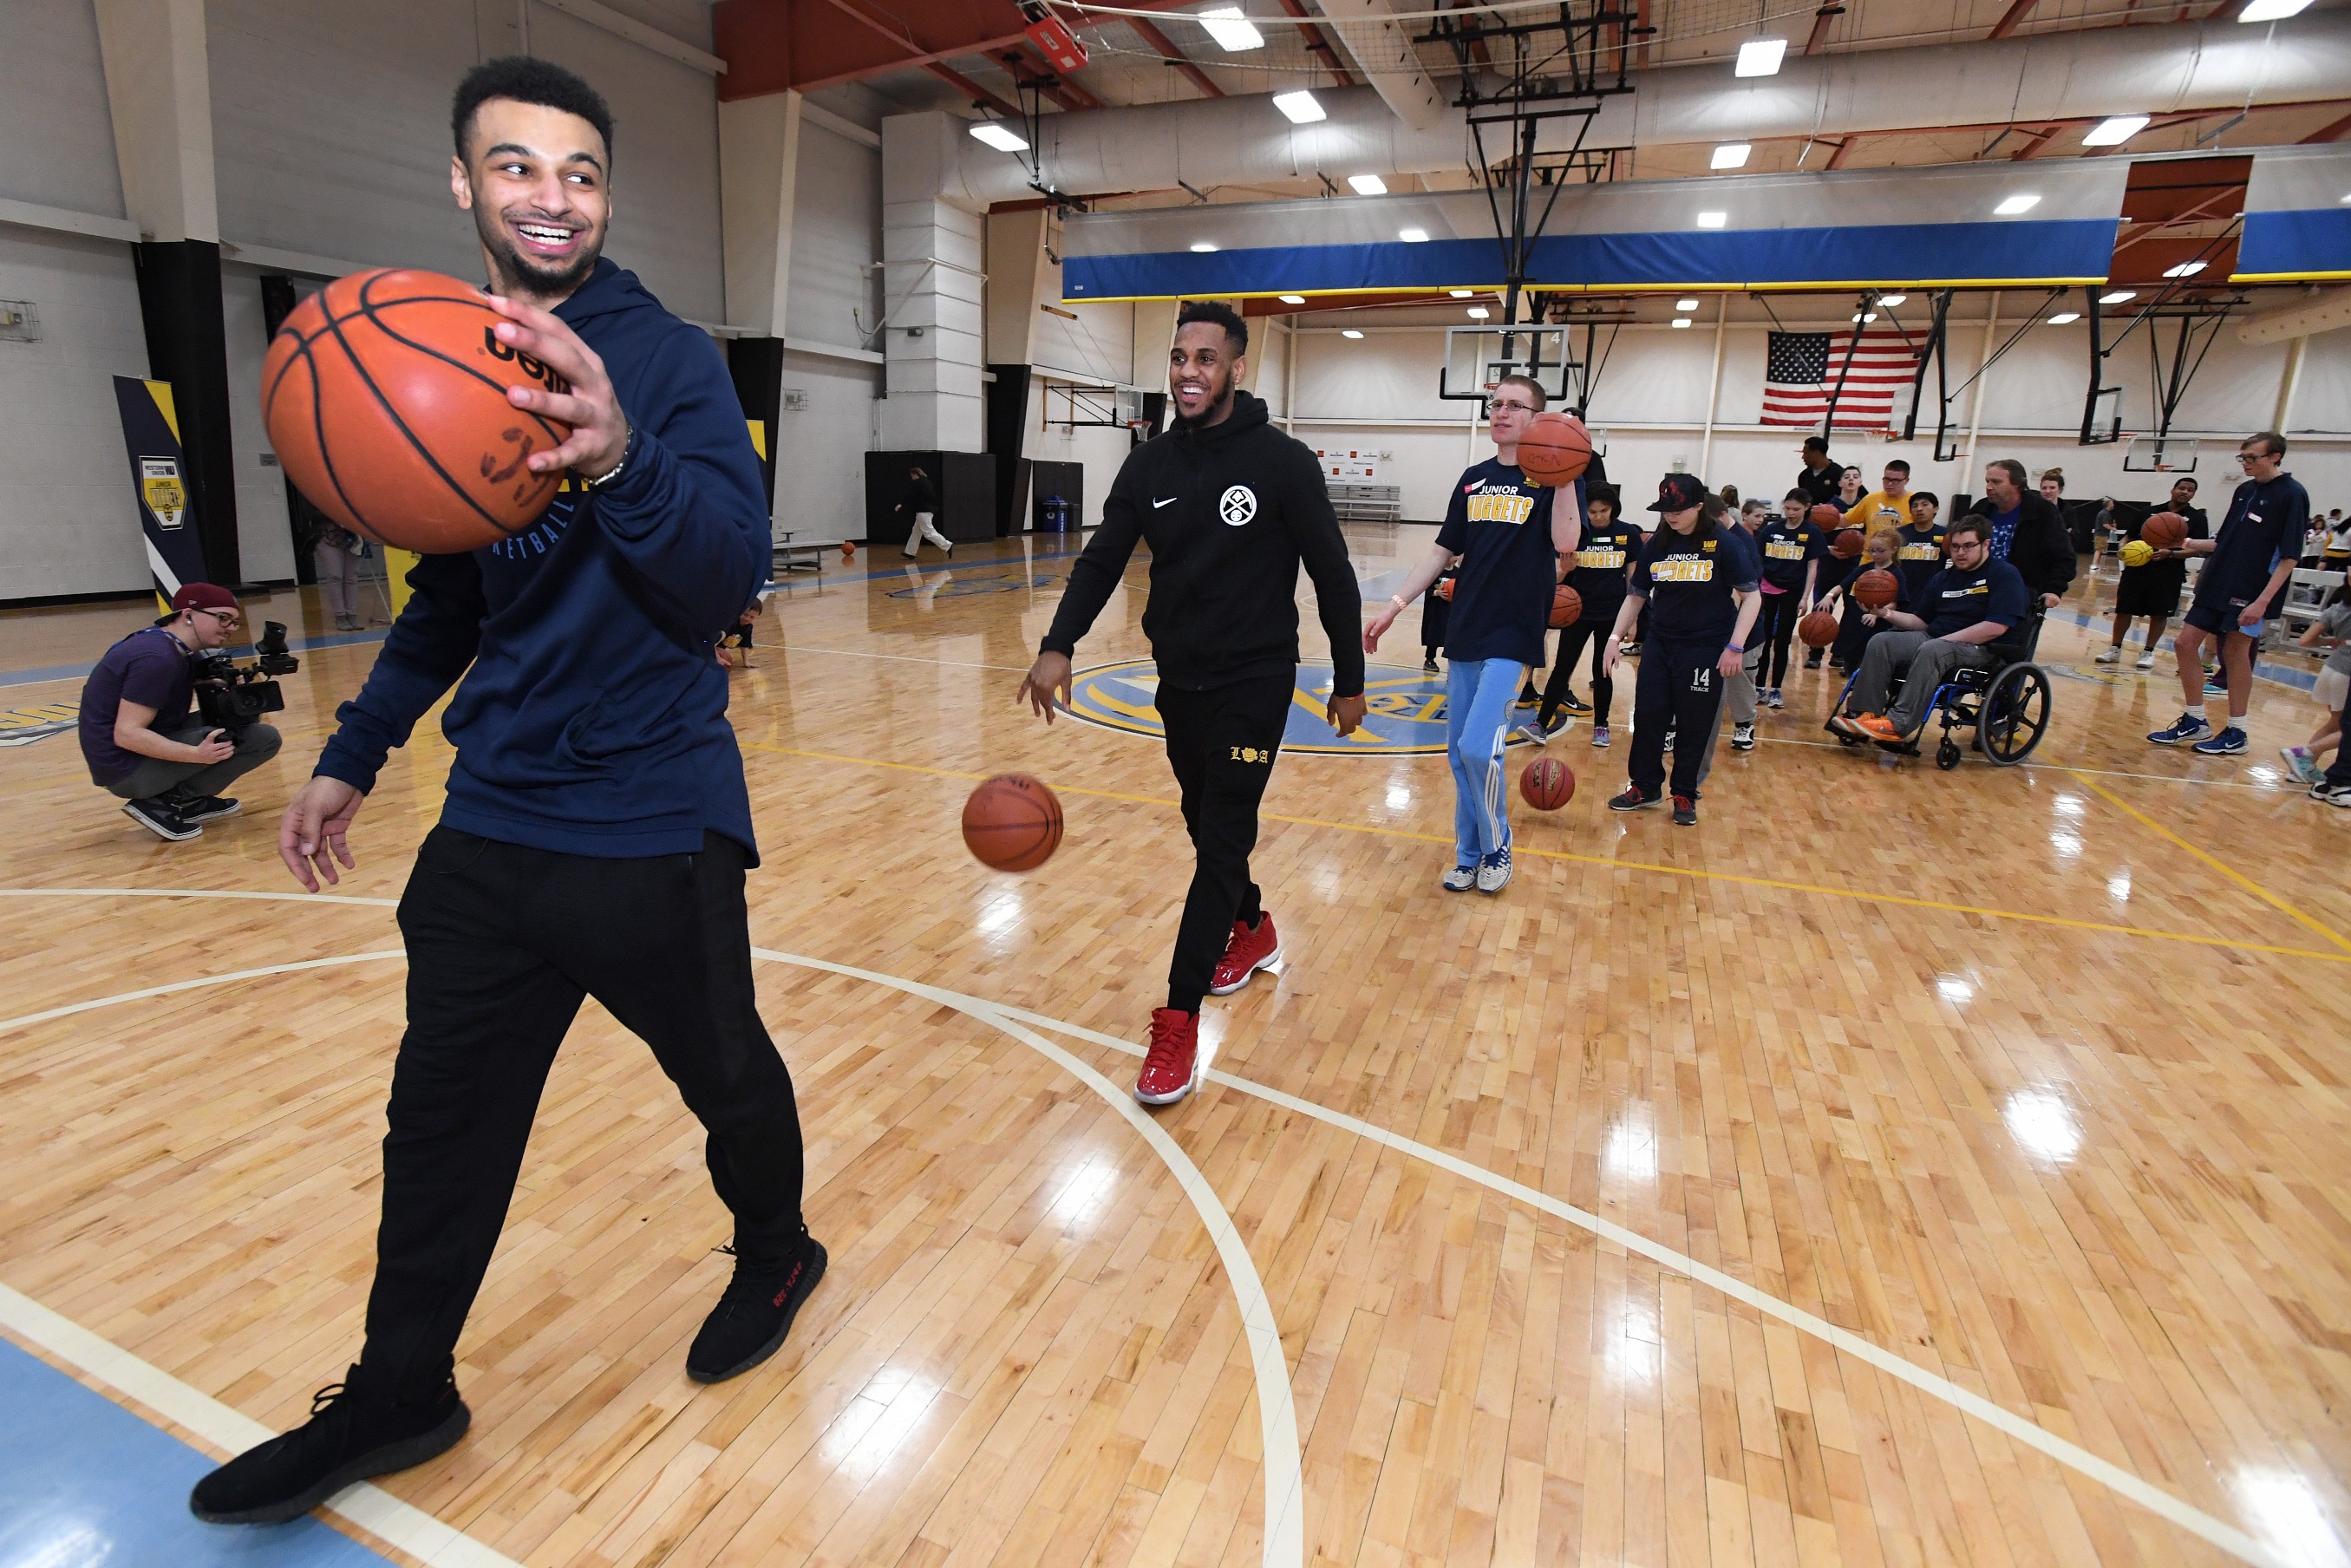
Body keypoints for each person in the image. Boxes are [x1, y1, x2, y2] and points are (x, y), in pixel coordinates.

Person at [191, 59, 819, 1529]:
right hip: (491, 826)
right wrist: (352, 754)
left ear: (605, 196)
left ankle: (777, 1248)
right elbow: (450, 602)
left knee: (725, 1074)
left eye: (580, 171)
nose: (553, 196)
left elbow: (729, 579)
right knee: (439, 1122)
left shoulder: (664, 359)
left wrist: (621, 458)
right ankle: (401, 1387)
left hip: (651, 819)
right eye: (518, 165)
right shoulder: (440, 350)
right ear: (464, 184)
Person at [1019, 300, 1364, 1105]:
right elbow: (1102, 560)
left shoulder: (1282, 462)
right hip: (1179, 681)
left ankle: (1177, 1021)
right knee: (1202, 824)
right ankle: (1253, 925)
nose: (1188, 371)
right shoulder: (1149, 466)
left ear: (1236, 368)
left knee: (1220, 839)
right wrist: (1058, 643)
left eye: (1205, 358)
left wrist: (1349, 679)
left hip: (1255, 681)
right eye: (1179, 357)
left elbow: (1332, 574)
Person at [1367, 373, 1580, 893]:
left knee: (1480, 748)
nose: (1501, 412)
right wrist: (1395, 606)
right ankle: (1468, 854)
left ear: (1538, 419)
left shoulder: (1552, 482)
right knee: (1458, 754)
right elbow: (1442, 549)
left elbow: (1566, 542)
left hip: (1514, 635)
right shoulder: (1474, 478)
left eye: (1515, 405)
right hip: (1466, 629)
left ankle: (1497, 843)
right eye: (1496, 404)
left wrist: (1566, 472)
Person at [1603, 474, 1762, 826]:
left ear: (1699, 506)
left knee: (1694, 723)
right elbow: (1636, 594)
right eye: (1665, 511)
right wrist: (1614, 639)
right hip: (1661, 644)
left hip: (1705, 646)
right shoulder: (1658, 543)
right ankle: (1644, 786)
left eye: (1678, 510)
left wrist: (1735, 647)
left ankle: (1685, 793)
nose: (1671, 516)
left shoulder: (1723, 543)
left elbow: (1752, 597)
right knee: (1649, 716)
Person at [76, 582, 284, 842]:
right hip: (125, 768)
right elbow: (127, 734)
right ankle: (166, 803)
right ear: (188, 615)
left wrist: (226, 689)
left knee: (244, 724)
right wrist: (196, 755)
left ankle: (190, 802)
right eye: (223, 618)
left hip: (127, 754)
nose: (231, 628)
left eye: (234, 622)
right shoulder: (157, 658)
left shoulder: (169, 646)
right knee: (254, 738)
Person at [2149, 432, 2312, 754]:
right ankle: (2195, 719)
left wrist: (2263, 601)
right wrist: (2184, 543)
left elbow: (2290, 556)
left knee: (2236, 653)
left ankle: (2238, 731)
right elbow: (2223, 542)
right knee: (2184, 643)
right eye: (2243, 457)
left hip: (2252, 588)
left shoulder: (2292, 494)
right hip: (2219, 582)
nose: (2245, 463)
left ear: (2275, 457)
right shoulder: (2244, 490)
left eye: (2252, 457)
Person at [1829, 514, 2028, 746]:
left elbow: (1996, 627)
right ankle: (1864, 714)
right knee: (1882, 641)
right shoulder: (1943, 578)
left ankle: (1898, 724)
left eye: (1968, 546)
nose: (1960, 553)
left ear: (1985, 545)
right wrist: (1884, 613)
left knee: (1932, 648)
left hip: (1980, 649)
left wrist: (1945, 640)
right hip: (1935, 640)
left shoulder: (2003, 574)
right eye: (1955, 547)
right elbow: (1920, 621)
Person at [1525, 484, 1637, 748]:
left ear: (1613, 508)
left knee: (1603, 671)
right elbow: (1554, 579)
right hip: (1577, 613)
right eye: (1592, 511)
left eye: (1603, 511)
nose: (1598, 516)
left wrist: (1632, 620)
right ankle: (1540, 724)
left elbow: (1634, 582)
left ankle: (1601, 725)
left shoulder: (1628, 534)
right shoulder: (1574, 535)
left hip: (1612, 615)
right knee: (1562, 668)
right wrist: (1565, 569)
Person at [2099, 476, 2205, 671]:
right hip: (2137, 569)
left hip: (2169, 572)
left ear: (2193, 495)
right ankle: (2115, 648)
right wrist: (2123, 550)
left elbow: (2197, 549)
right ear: (2173, 489)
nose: (2185, 492)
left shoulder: (2197, 518)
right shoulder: (2148, 512)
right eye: (2182, 488)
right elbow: (2128, 537)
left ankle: (2148, 652)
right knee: (2124, 610)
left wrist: (2170, 553)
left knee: (2159, 613)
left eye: (2190, 490)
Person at [1749, 490, 1828, 708]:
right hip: (1767, 589)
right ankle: (1759, 687)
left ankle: (1776, 689)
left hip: (1792, 591)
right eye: (1787, 508)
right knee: (1763, 640)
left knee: (1783, 642)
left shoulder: (1812, 532)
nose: (1791, 513)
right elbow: (1757, 560)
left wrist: (1805, 598)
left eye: (1796, 509)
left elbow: (1812, 567)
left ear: (1807, 507)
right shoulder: (1770, 530)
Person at [1969, 459, 2074, 609]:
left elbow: (2063, 555)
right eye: (1987, 481)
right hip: (1976, 591)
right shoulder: (1980, 509)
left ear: (2017, 483)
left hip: (2022, 592)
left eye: (1996, 482)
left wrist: (2054, 589)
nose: (1989, 487)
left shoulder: (2042, 511)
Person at [2282, 585, 2349, 786]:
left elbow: (2304, 641)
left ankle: (2303, 768)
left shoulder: (2337, 608)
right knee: (2346, 729)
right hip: (2347, 673)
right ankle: (2304, 753)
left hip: (2330, 669)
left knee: (2335, 725)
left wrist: (2331, 640)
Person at [1820, 527, 1907, 676]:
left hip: (1875, 626)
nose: (1875, 554)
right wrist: (1829, 595)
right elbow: (1842, 585)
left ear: (1894, 549)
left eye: (1880, 550)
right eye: (1871, 550)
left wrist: (1876, 614)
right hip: (1853, 622)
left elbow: (1895, 602)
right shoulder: (1863, 569)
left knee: (1866, 669)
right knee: (1849, 666)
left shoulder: (1896, 574)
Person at [1892, 491, 1945, 601]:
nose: (1919, 509)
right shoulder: (1899, 534)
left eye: (1925, 504)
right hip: (1902, 592)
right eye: (1915, 506)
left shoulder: (1945, 535)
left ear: (1935, 509)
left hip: (1931, 594)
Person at [1845, 460, 1914, 541]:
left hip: (1900, 549)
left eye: (1895, 481)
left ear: (1906, 480)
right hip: (1871, 549)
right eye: (1886, 479)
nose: (1890, 484)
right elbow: (1845, 520)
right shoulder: (1870, 499)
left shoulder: (1914, 502)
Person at [317, 523, 367, 631]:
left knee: (352, 578)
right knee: (335, 576)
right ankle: (340, 616)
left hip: (354, 537)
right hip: (328, 537)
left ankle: (351, 614)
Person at [898, 464, 952, 559]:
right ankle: (910, 552)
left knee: (929, 532)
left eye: (912, 475)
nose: (912, 477)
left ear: (916, 474)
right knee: (916, 532)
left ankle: (947, 546)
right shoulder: (927, 482)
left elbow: (911, 494)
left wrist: (901, 503)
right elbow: (931, 496)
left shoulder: (919, 483)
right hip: (927, 510)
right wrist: (934, 506)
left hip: (923, 511)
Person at [1794, 435, 1840, 509]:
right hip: (1809, 516)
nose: (1803, 457)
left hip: (1831, 515)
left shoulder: (1839, 474)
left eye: (1805, 453)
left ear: (1816, 453)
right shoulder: (1804, 476)